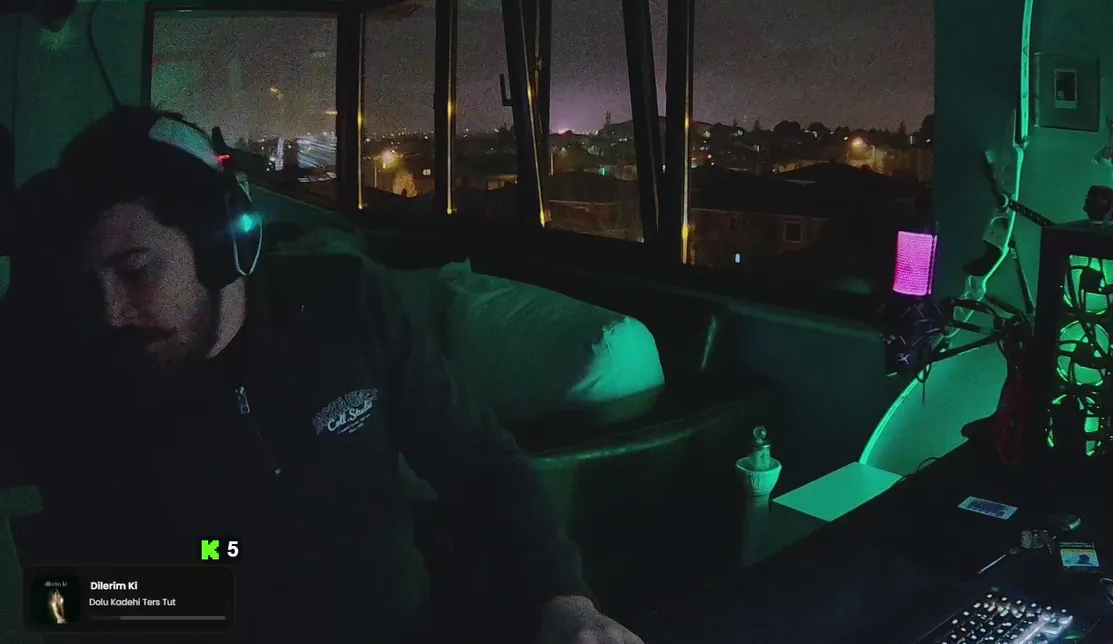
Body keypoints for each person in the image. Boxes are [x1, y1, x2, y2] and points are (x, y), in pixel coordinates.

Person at [5, 107, 644, 643]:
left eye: (135, 269)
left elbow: (482, 465)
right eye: (90, 283)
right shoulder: (82, 365)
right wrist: (201, 576)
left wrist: (566, 602)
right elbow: (69, 596)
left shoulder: (348, 304)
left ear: (220, 243)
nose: (112, 312)